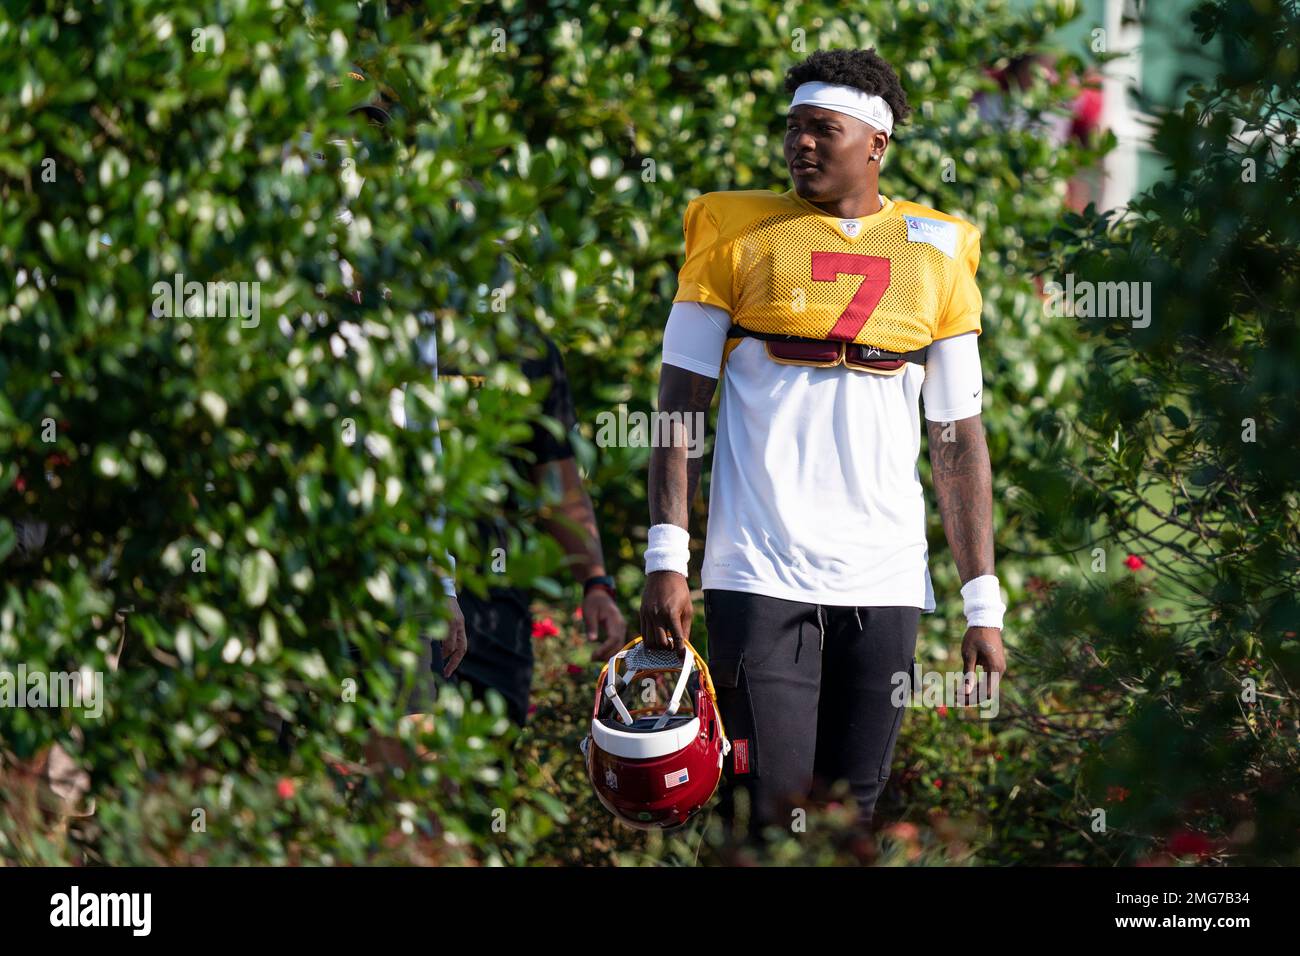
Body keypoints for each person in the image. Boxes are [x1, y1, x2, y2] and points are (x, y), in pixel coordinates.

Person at [639, 48, 1008, 836]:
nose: (800, 144)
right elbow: (678, 407)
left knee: (851, 823)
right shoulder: (734, 234)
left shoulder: (937, 252)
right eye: (793, 128)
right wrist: (665, 558)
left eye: (822, 129)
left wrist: (983, 603)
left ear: (876, 144)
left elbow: (957, 438)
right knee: (765, 818)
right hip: (757, 569)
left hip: (885, 578)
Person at [433, 326, 627, 726]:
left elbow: (558, 484)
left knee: (489, 753)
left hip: (496, 598)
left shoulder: (526, 345)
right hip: (413, 587)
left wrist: (595, 583)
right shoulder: (386, 325)